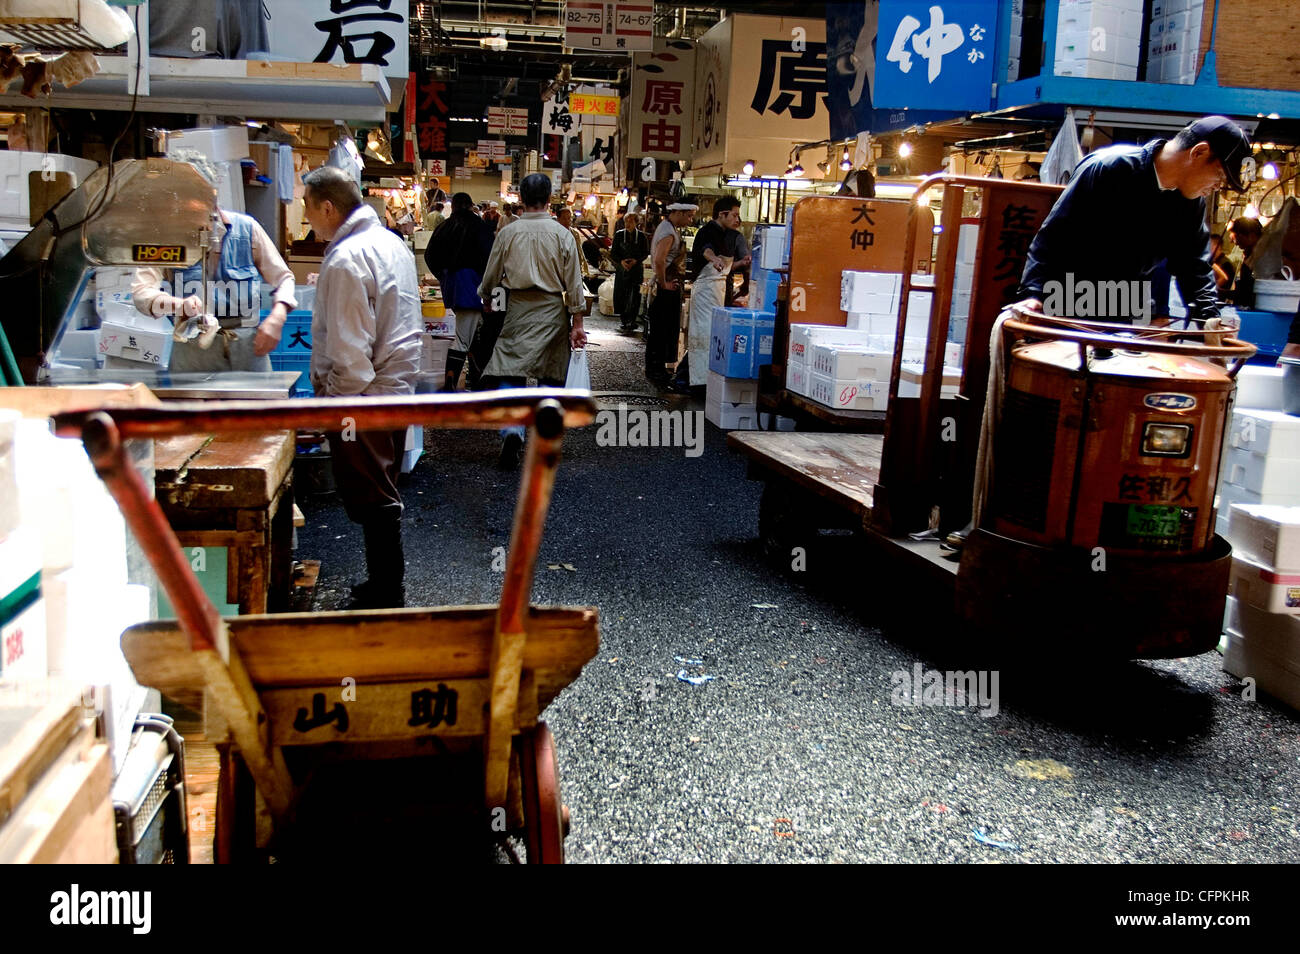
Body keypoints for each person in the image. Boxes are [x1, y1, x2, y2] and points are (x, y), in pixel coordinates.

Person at [302, 165, 422, 609]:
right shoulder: (393, 244)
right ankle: (384, 583)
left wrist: (334, 399)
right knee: (382, 485)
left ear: (328, 207)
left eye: (309, 208)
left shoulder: (348, 257)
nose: (308, 218)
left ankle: (388, 589)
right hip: (395, 387)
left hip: (364, 394)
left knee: (374, 493)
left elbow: (351, 348)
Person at [1017, 115, 1251, 326]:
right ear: (1198, 152)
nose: (1217, 187)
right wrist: (1032, 294)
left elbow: (1194, 267)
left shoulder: (1189, 202)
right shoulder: (1110, 168)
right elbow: (1053, 238)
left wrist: (1210, 322)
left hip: (1123, 316)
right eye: (1219, 175)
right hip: (1063, 307)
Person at [131, 149, 296, 372]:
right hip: (191, 353)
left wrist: (277, 317)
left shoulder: (246, 229)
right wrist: (177, 305)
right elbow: (142, 292)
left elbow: (284, 278)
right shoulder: (164, 237)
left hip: (247, 351)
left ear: (212, 195)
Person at [478, 173, 587, 469]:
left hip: (519, 309)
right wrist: (577, 323)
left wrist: (486, 297)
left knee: (511, 371)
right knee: (550, 378)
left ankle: (512, 430)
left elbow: (491, 274)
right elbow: (574, 283)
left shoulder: (507, 233)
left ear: (521, 200)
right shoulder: (563, 234)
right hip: (553, 311)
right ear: (549, 200)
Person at [424, 191, 496, 390]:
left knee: (469, 333)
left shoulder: (444, 226)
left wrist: (443, 276)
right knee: (465, 337)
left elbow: (430, 256)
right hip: (473, 286)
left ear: (453, 207)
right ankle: (450, 384)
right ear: (471, 205)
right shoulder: (480, 226)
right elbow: (491, 259)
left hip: (452, 286)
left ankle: (476, 378)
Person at [684, 196, 744, 389]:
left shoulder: (727, 234)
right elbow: (706, 250)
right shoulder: (707, 231)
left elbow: (725, 265)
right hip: (704, 294)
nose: (737, 219)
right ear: (722, 214)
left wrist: (742, 263)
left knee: (713, 338)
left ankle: (708, 381)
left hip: (717, 291)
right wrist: (713, 259)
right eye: (734, 215)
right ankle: (699, 383)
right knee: (703, 337)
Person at [645, 202, 696, 385]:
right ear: (679, 213)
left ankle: (657, 369)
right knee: (661, 330)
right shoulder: (668, 232)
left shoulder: (668, 227)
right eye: (688, 215)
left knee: (661, 330)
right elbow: (659, 260)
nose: (690, 220)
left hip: (667, 288)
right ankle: (656, 370)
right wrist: (663, 282)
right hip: (665, 290)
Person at [612, 211, 649, 333]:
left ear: (636, 223)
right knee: (622, 294)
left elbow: (645, 253)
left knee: (635, 296)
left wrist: (635, 261)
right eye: (626, 221)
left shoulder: (642, 236)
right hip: (622, 270)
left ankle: (632, 320)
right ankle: (623, 320)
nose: (628, 224)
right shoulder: (618, 235)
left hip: (636, 269)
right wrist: (621, 262)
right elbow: (613, 253)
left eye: (631, 221)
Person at [1227, 215, 1263, 307]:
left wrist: (1225, 293)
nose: (1235, 242)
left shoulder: (1261, 260)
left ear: (1251, 236)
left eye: (1238, 236)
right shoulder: (1249, 256)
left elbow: (1247, 292)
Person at [1209, 232, 1235, 300]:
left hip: (1221, 300)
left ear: (1216, 246)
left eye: (1209, 245)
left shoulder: (1225, 263)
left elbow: (1224, 279)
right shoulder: (1213, 261)